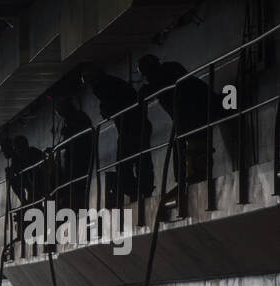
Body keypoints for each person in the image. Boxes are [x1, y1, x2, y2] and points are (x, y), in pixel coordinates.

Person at [137, 53, 214, 185]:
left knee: (192, 144)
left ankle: (191, 176)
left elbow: (158, 85)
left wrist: (144, 92)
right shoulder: (169, 71)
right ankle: (187, 176)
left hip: (194, 111)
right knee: (185, 144)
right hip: (195, 110)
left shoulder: (163, 77)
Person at [82, 66, 153, 204]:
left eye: (91, 82)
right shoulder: (111, 85)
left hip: (133, 127)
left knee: (129, 164)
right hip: (133, 127)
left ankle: (139, 192)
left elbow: (113, 106)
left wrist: (106, 110)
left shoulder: (106, 87)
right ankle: (141, 191)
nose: (91, 87)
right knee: (138, 161)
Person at [53, 96, 94, 209]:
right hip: (73, 161)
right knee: (71, 188)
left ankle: (78, 211)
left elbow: (77, 138)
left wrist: (58, 145)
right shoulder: (75, 119)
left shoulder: (78, 118)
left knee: (76, 188)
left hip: (79, 160)